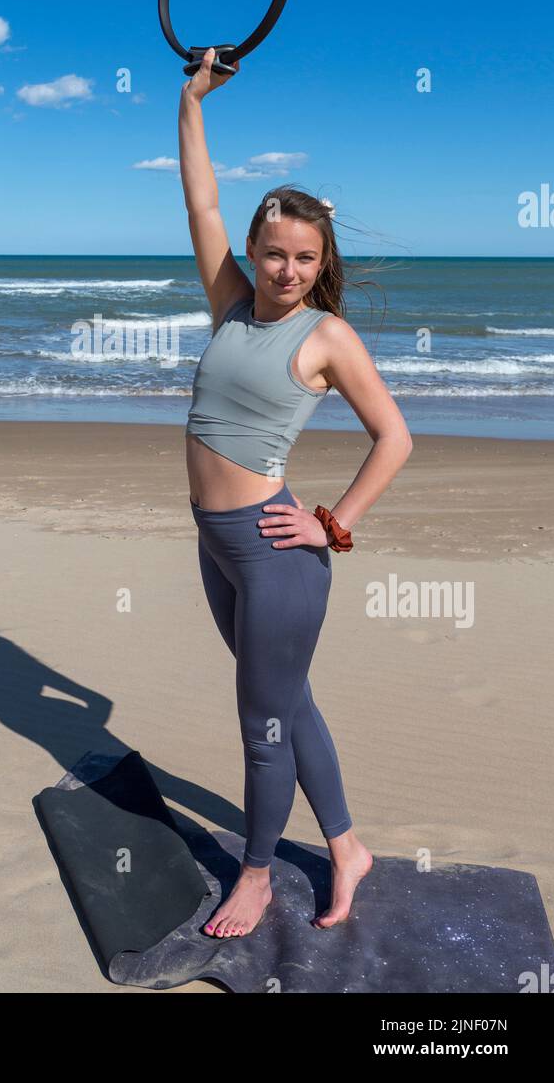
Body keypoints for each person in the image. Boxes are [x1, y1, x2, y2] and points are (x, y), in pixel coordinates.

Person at [181, 48, 413, 938]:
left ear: (321, 264)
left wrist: (334, 526)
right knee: (288, 703)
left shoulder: (327, 337)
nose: (285, 270)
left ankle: (256, 874)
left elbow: (394, 436)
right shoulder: (229, 302)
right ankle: (346, 847)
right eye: (273, 253)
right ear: (253, 251)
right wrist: (191, 100)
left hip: (275, 553)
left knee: (260, 723)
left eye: (303, 259)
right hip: (214, 541)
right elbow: (200, 197)